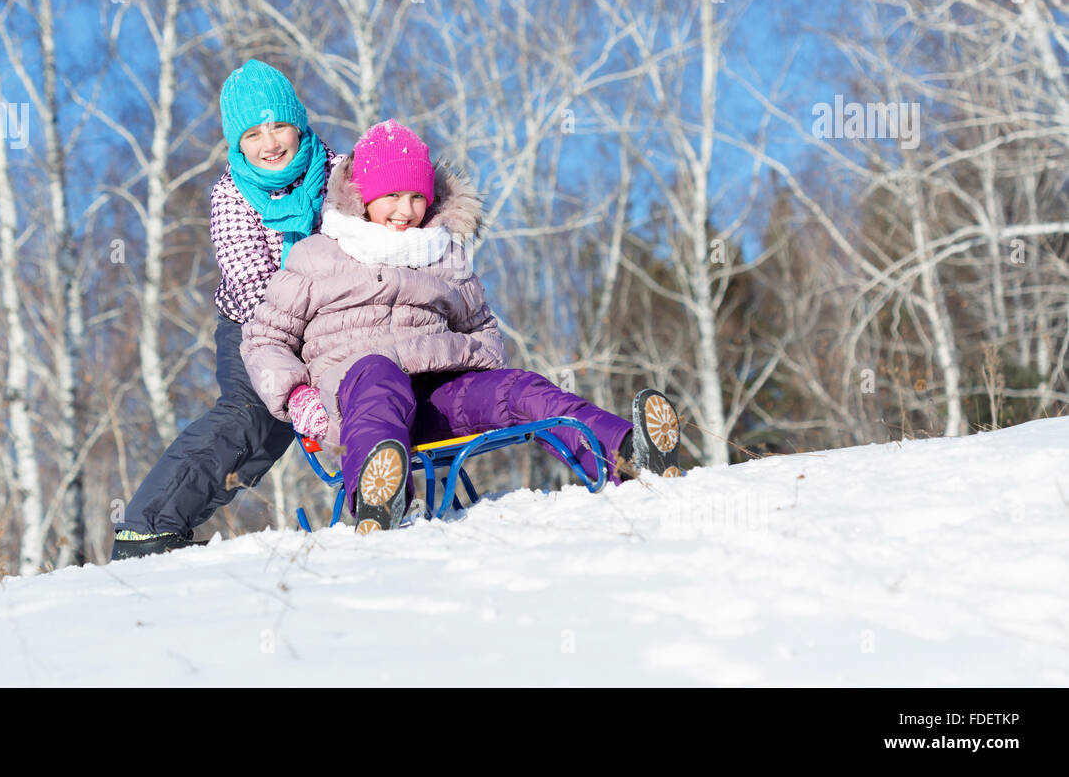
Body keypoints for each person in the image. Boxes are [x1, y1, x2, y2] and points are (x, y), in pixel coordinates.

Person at [241, 119, 682, 534]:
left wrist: (473, 366)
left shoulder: (443, 256)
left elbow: (484, 331)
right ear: (362, 196)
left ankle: (628, 455)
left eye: (417, 197)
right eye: (392, 195)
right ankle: (379, 495)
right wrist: (298, 399)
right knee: (378, 373)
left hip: (440, 398)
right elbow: (264, 341)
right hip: (360, 403)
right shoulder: (317, 257)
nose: (406, 210)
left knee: (523, 389)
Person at [111, 59, 342, 559]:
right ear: (237, 145)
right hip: (254, 328)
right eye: (253, 134)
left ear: (298, 123)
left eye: (279, 125)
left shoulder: (337, 176)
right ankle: (149, 524)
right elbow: (253, 281)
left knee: (296, 426)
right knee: (252, 418)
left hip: (335, 326)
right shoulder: (233, 194)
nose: (270, 142)